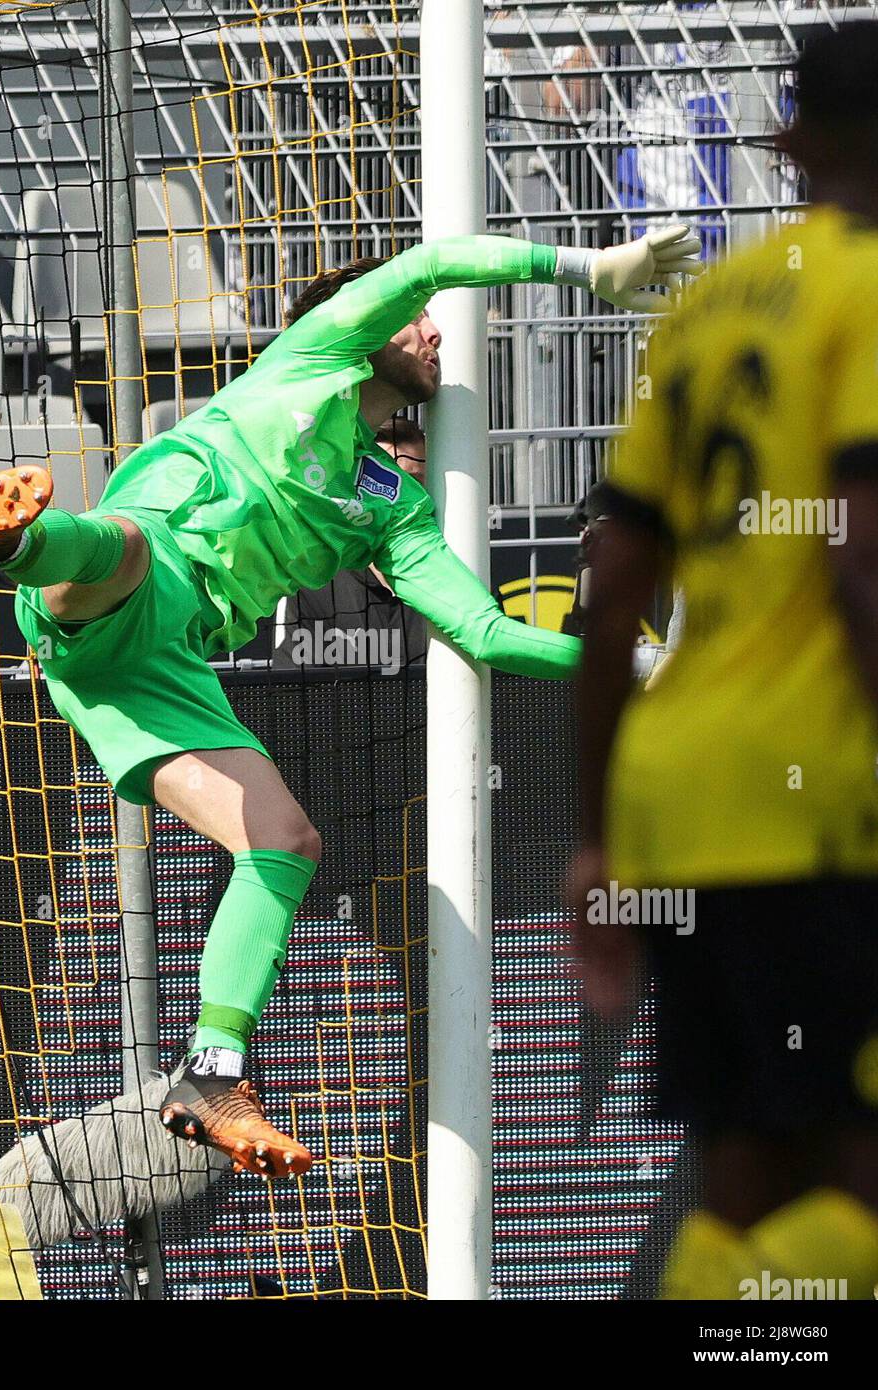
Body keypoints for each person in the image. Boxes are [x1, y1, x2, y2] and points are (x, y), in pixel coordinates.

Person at [0, 225, 701, 1180]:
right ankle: (15, 541)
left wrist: (643, 668)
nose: (434, 333)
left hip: (164, 665)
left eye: (434, 325)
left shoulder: (388, 501)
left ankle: (210, 1072)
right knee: (127, 549)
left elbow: (486, 633)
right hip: (143, 567)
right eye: (418, 324)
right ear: (362, 324)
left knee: (285, 843)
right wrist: (587, 266)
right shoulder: (309, 354)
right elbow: (431, 261)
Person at [567, 22, 878, 1298]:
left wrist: (590, 837)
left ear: (789, 140)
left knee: (745, 1186)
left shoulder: (699, 311)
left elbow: (609, 591)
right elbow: (861, 564)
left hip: (679, 798)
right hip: (816, 792)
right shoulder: (866, 289)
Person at [271, 417, 428, 672]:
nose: (399, 499)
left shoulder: (458, 575)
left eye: (415, 482)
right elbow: (291, 697)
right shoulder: (314, 579)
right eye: (382, 483)